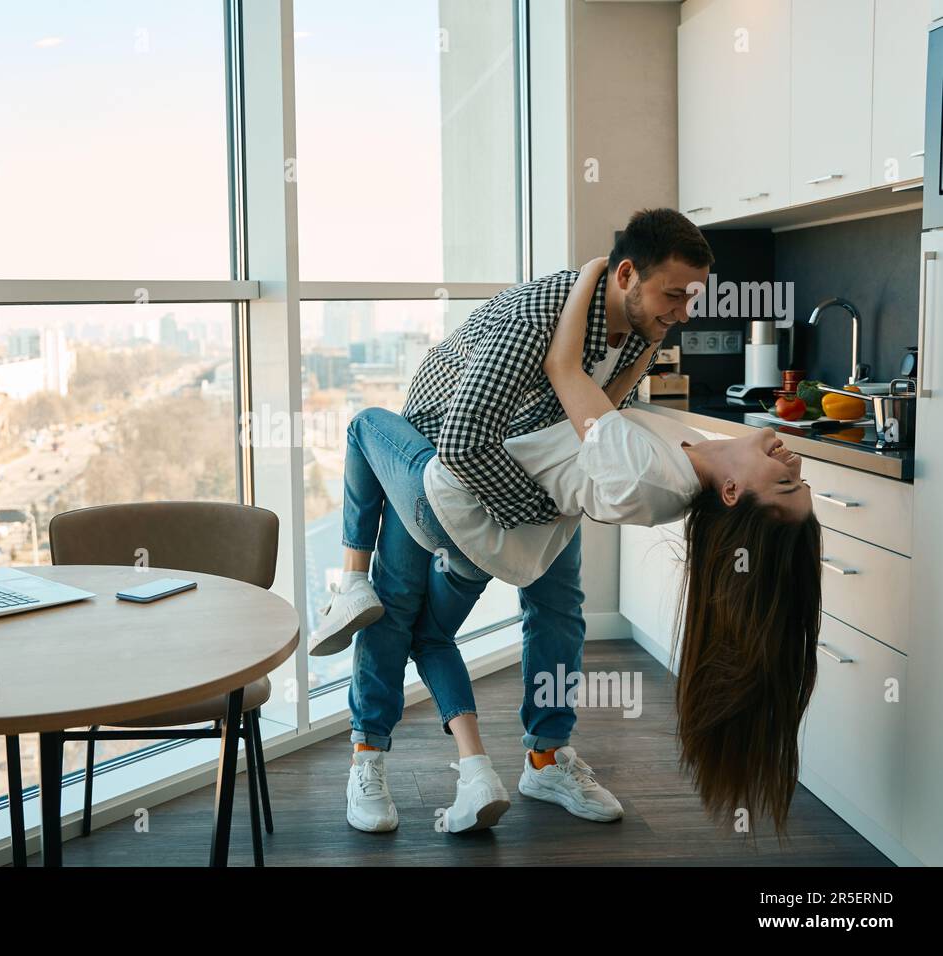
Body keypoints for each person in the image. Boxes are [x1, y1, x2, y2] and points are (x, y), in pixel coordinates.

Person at [314, 209, 821, 835]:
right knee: (396, 611)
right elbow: (464, 442)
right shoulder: (538, 321)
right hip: (443, 455)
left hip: (546, 477)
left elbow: (600, 411)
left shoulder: (641, 329)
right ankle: (369, 755)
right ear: (629, 274)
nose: (685, 314)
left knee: (558, 611)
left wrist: (555, 500)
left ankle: (546, 757)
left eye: (692, 299)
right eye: (675, 296)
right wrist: (541, 505)